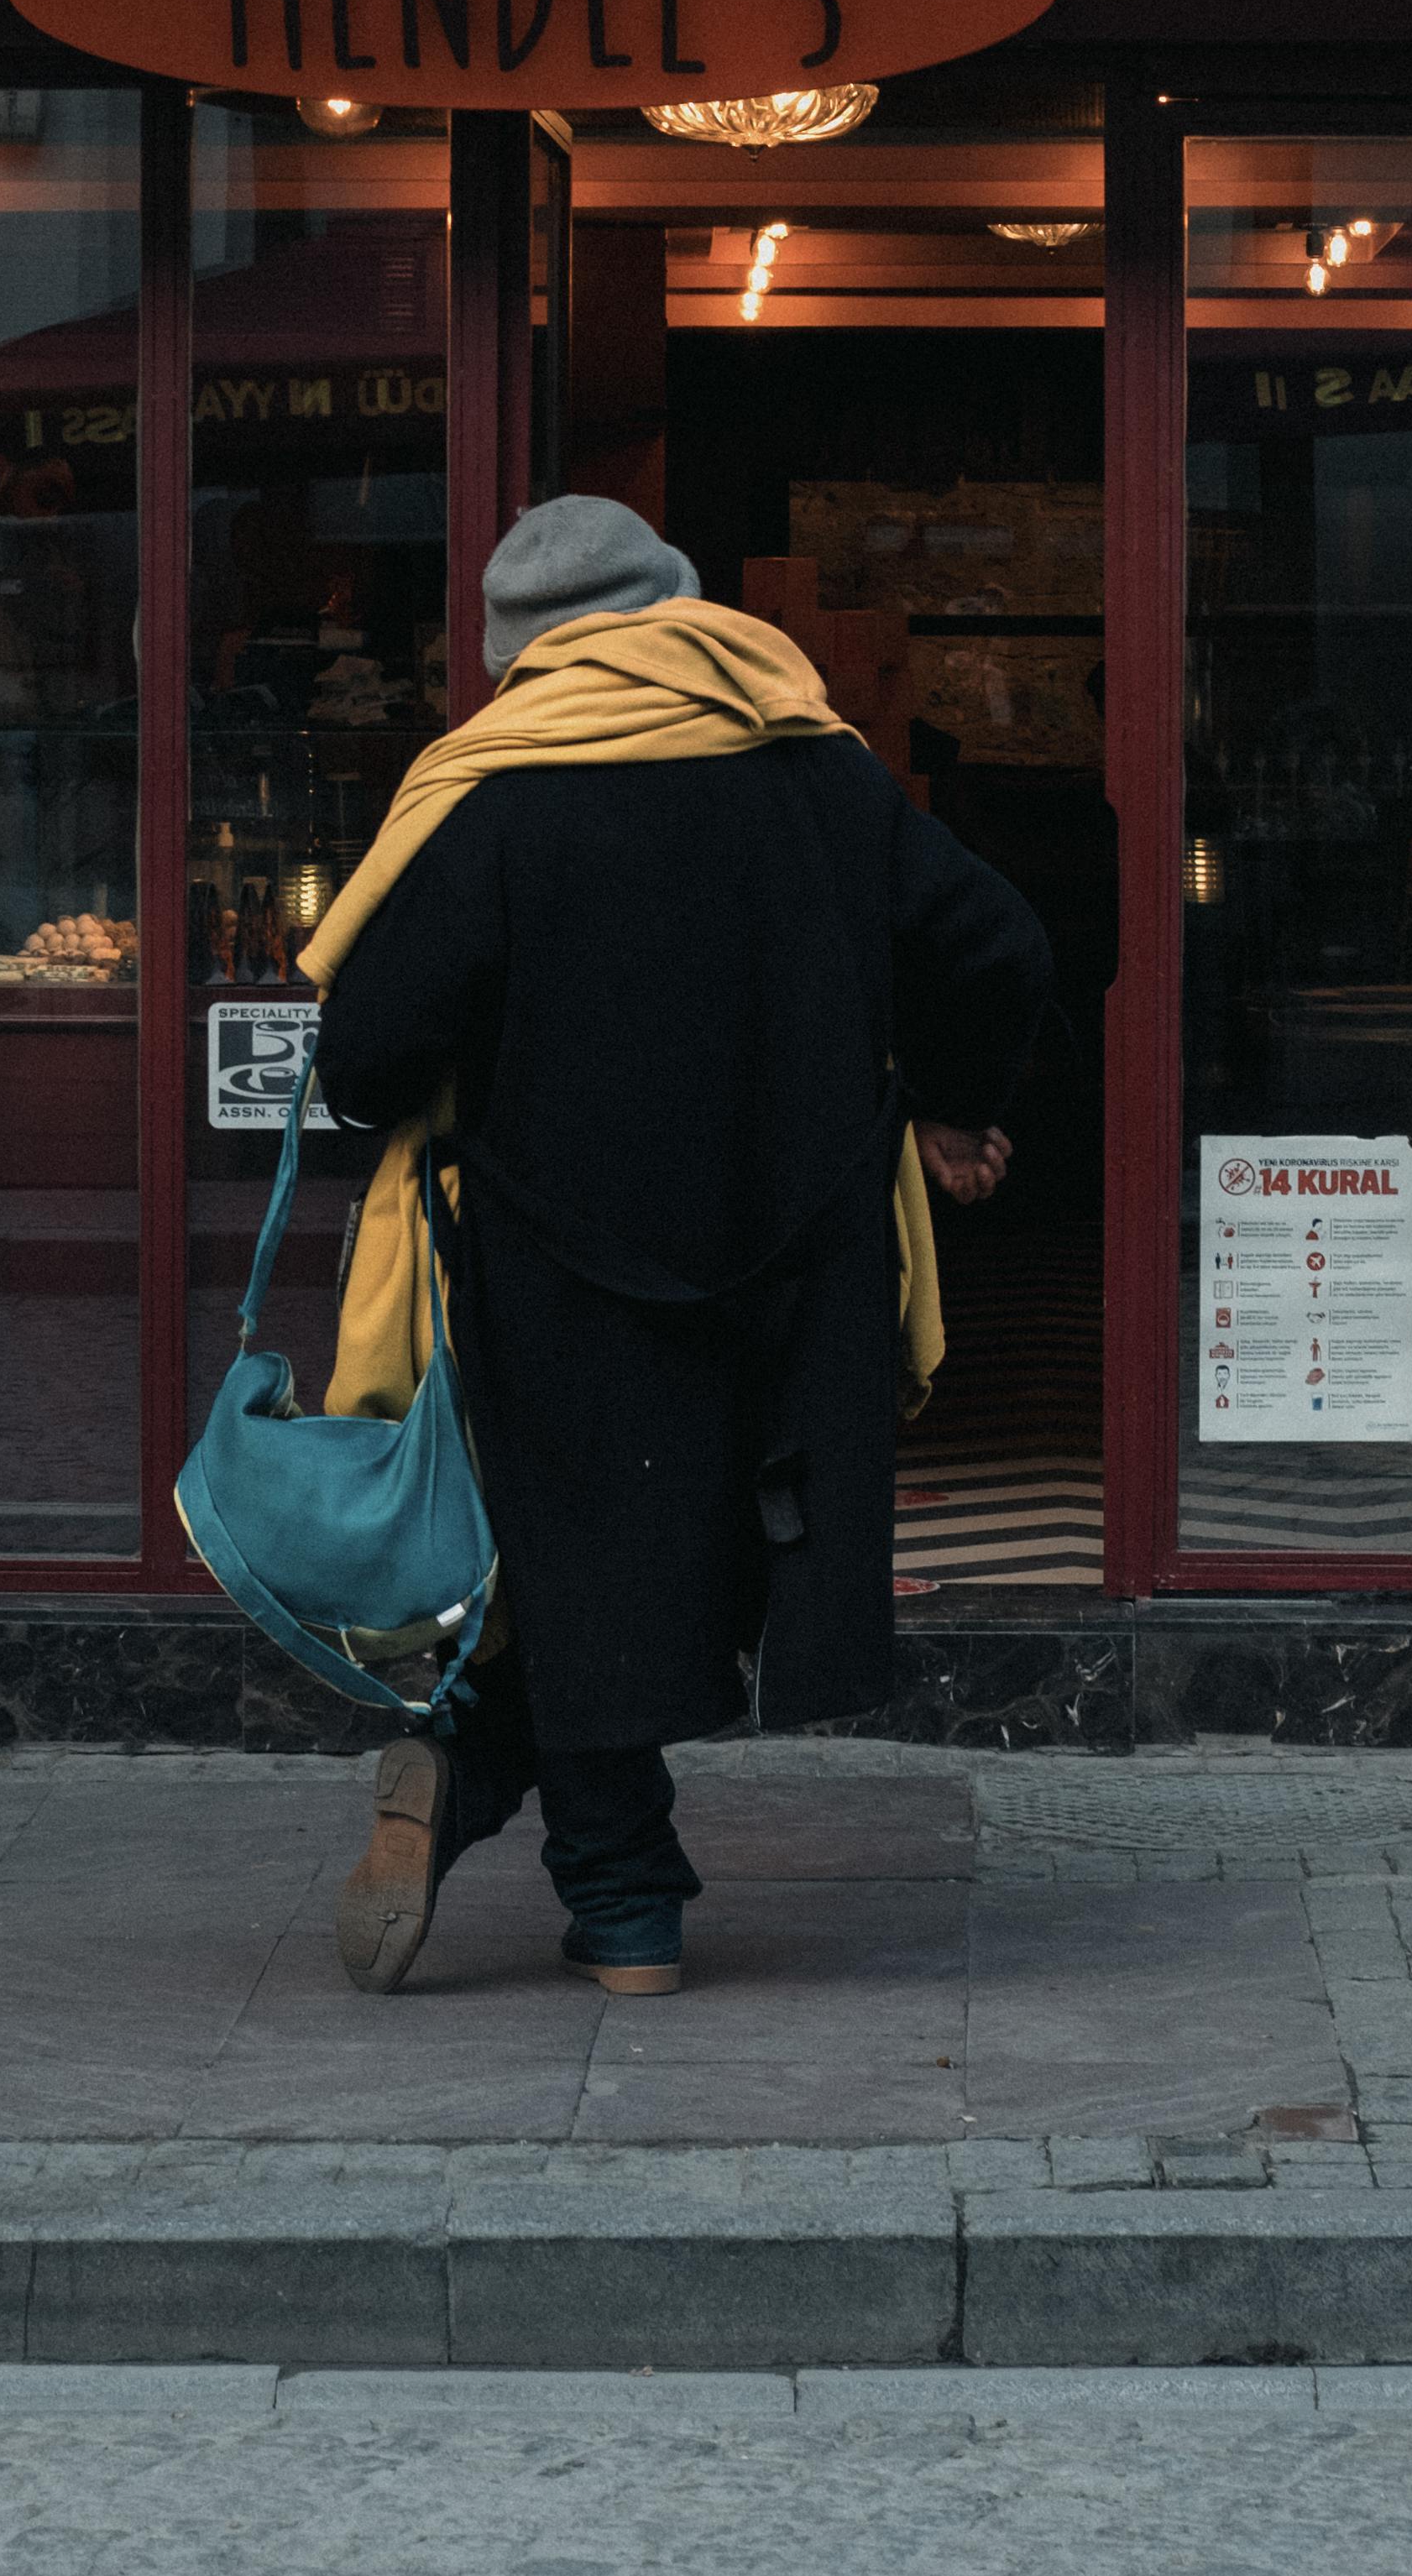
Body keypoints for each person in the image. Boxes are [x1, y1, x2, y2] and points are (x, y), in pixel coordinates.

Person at [301, 494, 1054, 2001]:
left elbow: (366, 1056)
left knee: (586, 1570)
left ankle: (611, 1892)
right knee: (719, 1550)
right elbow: (998, 946)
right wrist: (950, 1111)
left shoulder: (491, 792)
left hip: (562, 1262)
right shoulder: (812, 764)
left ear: (515, 650)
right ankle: (531, 1827)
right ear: (681, 608)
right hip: (798, 1246)